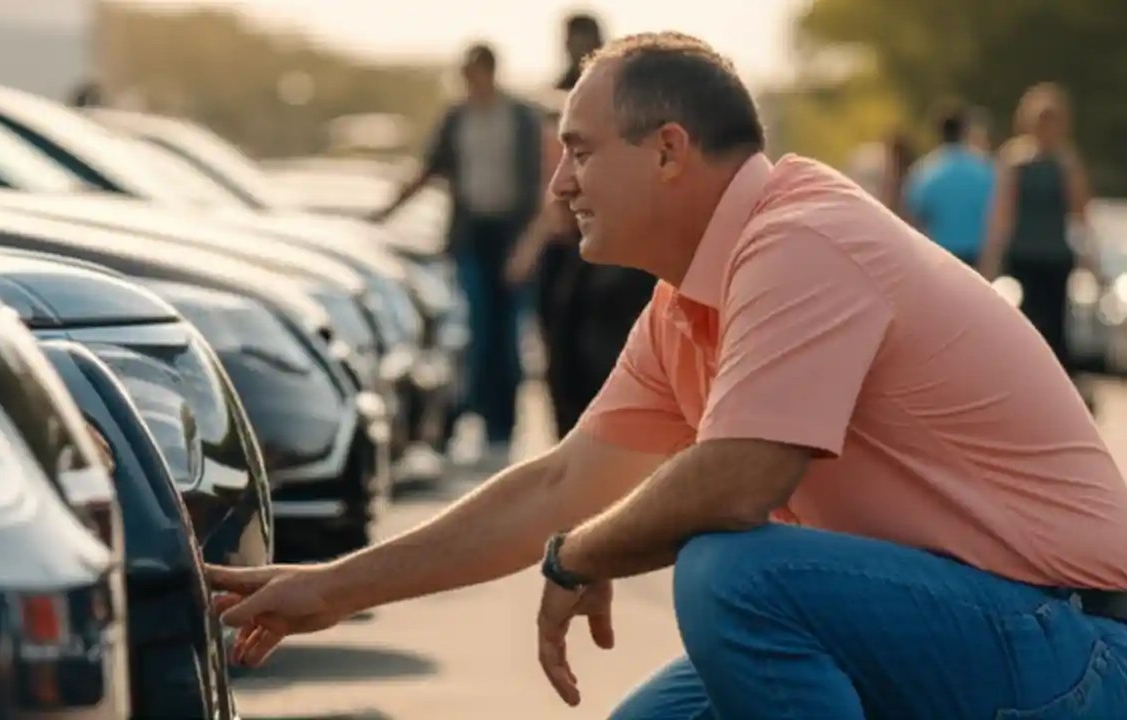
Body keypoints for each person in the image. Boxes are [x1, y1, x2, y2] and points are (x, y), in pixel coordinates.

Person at [210, 33, 1127, 719]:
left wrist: (587, 551)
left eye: (579, 149)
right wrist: (329, 586)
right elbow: (562, 486)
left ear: (668, 151)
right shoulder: (690, 302)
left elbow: (737, 481)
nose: (559, 184)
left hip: (1076, 645)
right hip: (960, 627)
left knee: (733, 575)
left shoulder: (801, 239)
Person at [374, 43, 543, 467]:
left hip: (511, 233)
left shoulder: (520, 118)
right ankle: (480, 422)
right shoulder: (458, 118)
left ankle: (504, 428)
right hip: (472, 235)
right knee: (478, 332)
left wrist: (528, 244)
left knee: (509, 335)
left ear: (491, 72)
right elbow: (430, 168)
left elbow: (543, 182)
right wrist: (385, 213)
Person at [508, 12, 656, 437]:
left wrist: (530, 244)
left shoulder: (615, 95)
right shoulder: (559, 90)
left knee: (599, 352)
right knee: (563, 352)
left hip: (609, 244)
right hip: (570, 242)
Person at [979, 83, 1093, 377]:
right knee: (1025, 322)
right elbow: (1002, 211)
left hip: (1054, 254)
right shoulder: (1015, 160)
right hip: (1024, 253)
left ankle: (1056, 382)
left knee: (1056, 326)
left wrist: (1090, 253)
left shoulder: (1066, 161)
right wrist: (991, 257)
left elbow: (1080, 211)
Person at [904, 104, 996, 266]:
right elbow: (994, 214)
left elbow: (914, 215)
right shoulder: (983, 167)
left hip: (938, 253)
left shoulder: (925, 170)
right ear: (965, 131)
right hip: (975, 253)